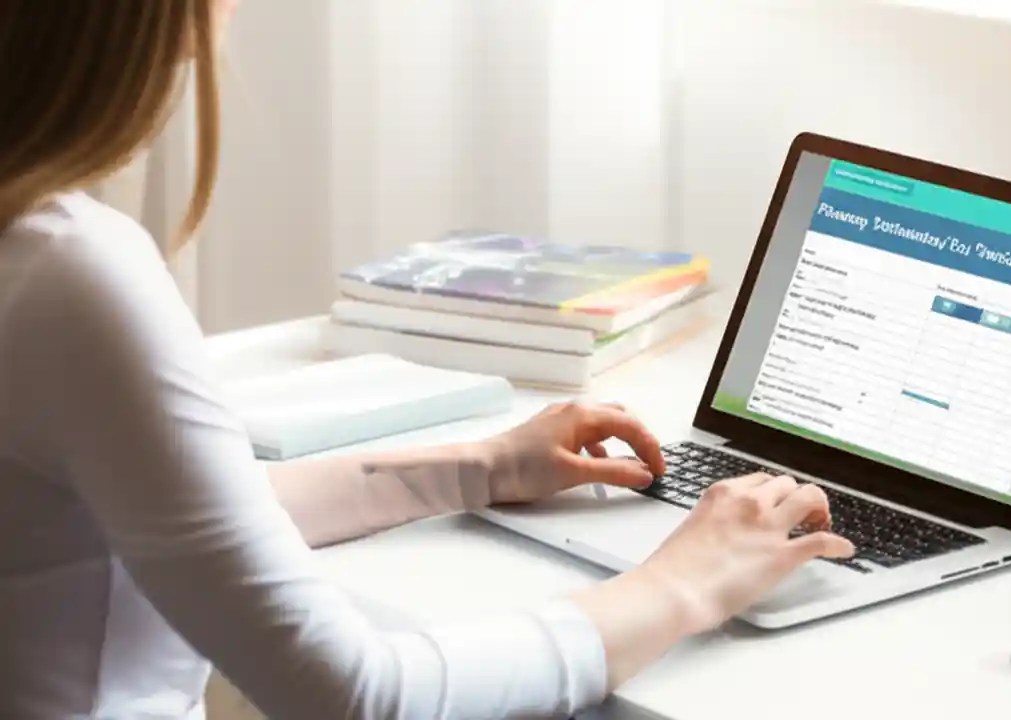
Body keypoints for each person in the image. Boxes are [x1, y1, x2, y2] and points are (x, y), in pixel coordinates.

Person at [0, 2, 854, 719]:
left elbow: (176, 510)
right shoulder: (72, 274)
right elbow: (353, 693)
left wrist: (475, 468)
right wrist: (685, 583)